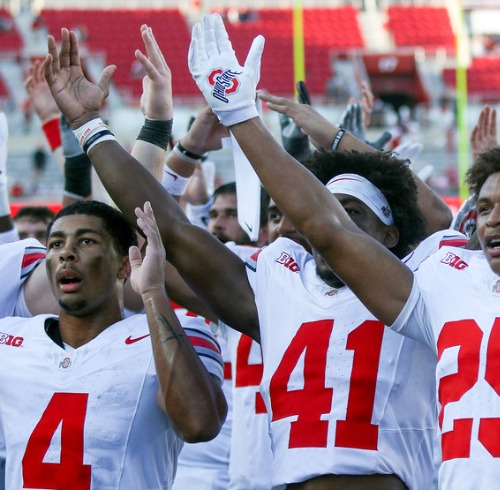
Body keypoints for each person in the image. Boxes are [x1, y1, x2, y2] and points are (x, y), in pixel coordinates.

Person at [181, 3, 500, 485]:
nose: (490, 219)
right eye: (483, 207)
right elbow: (329, 230)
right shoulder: (450, 279)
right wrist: (240, 118)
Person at [43, 24, 459, 490]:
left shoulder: (423, 284)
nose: (326, 226)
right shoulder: (284, 288)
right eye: (324, 208)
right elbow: (172, 229)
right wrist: (90, 127)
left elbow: (421, 216)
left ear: (392, 232)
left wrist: (251, 118)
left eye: (353, 214)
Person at [0, 200, 226, 487]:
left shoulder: (175, 332)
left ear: (123, 265)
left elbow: (199, 425)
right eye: (56, 244)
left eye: (86, 241)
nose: (66, 253)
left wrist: (153, 292)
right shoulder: (10, 340)